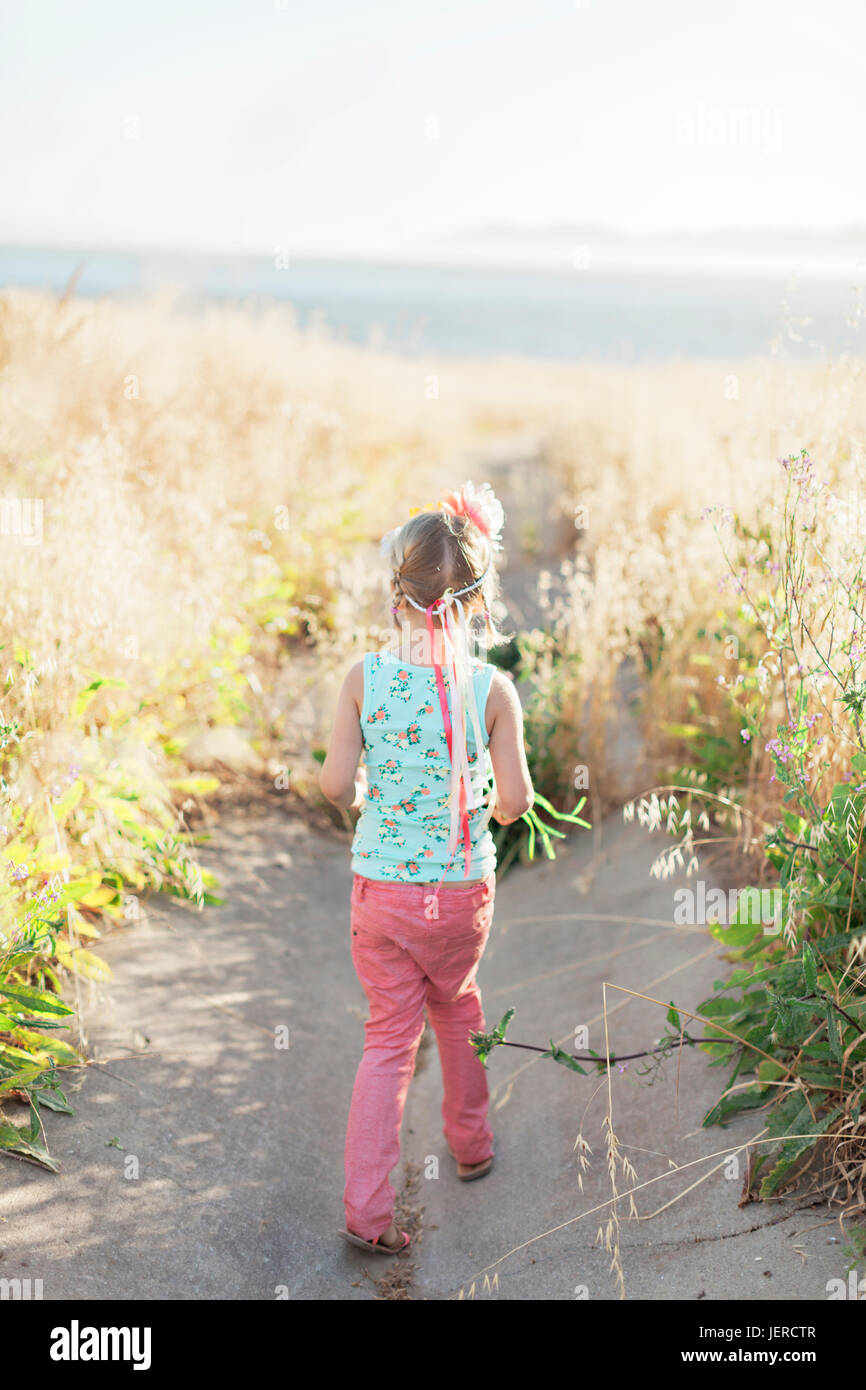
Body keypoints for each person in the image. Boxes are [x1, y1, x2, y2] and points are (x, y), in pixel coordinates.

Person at [319, 480, 534, 1255]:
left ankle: (368, 1215)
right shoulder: (490, 689)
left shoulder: (361, 679)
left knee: (386, 1041)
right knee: (460, 1006)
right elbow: (512, 803)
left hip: (381, 897)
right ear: (477, 605)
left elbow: (335, 786)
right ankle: (471, 1146)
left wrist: (370, 800)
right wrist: (490, 798)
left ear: (394, 595)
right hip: (459, 894)